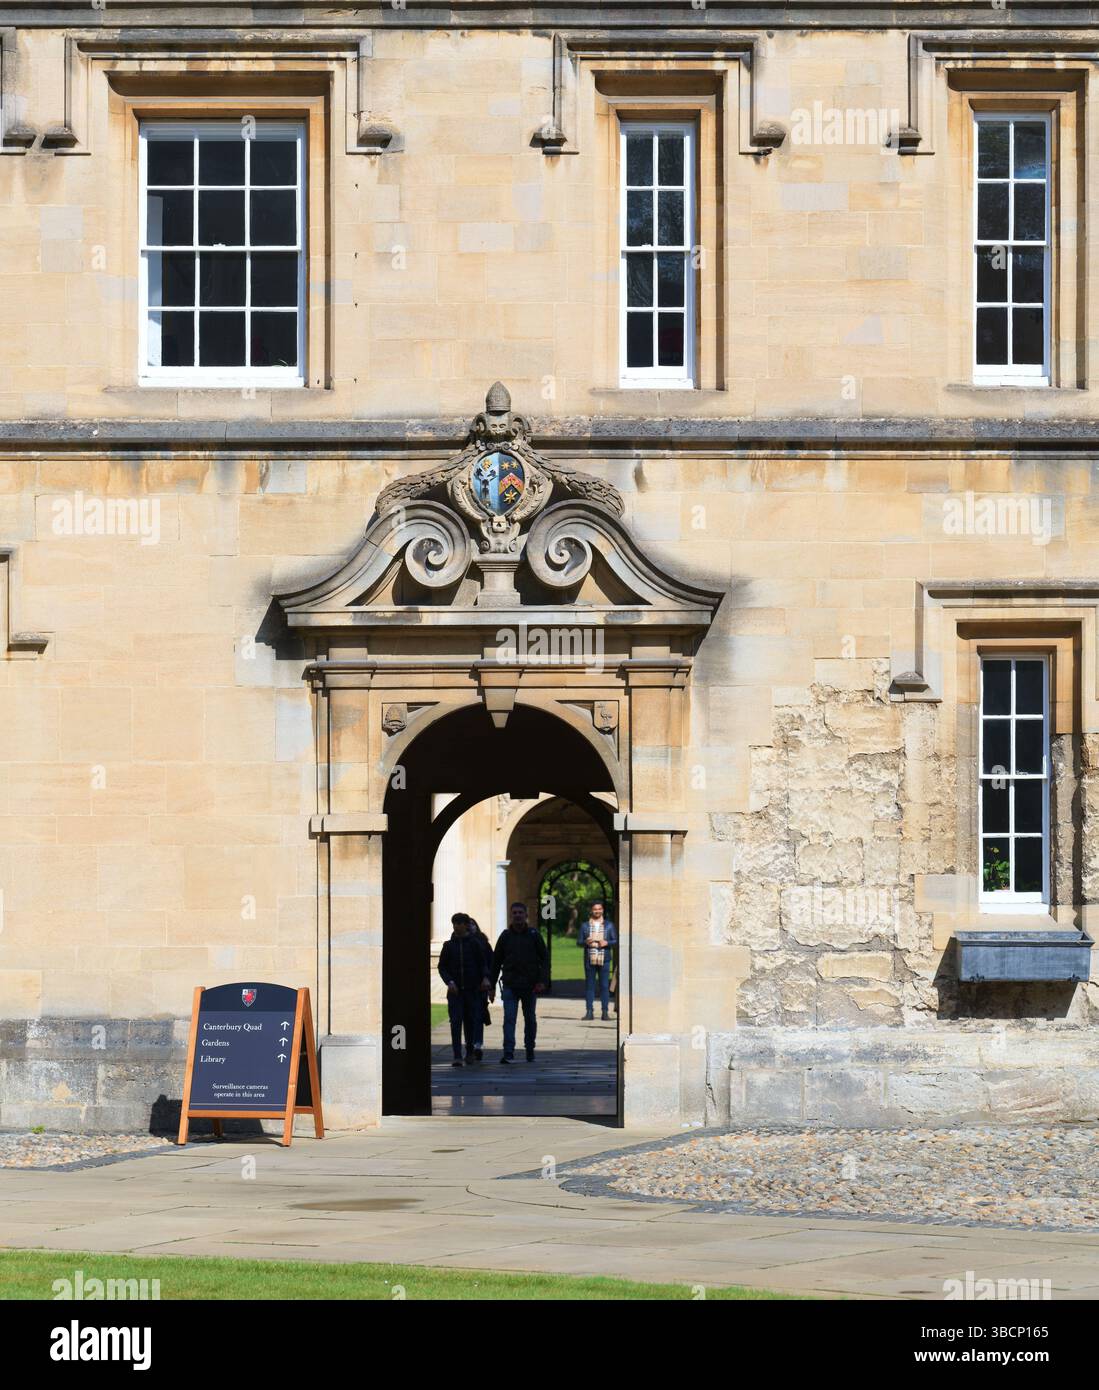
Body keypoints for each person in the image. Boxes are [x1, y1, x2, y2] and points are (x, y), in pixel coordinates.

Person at [491, 900, 548, 1064]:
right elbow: (496, 962)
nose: (517, 916)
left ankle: (530, 1049)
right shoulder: (505, 936)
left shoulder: (534, 935)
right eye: (514, 913)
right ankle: (508, 1052)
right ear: (511, 915)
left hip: (530, 986)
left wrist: (543, 981)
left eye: (520, 913)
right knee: (509, 1019)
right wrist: (491, 986)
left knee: (530, 1018)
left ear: (526, 915)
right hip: (510, 984)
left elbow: (544, 959)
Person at [437, 912, 492, 1065]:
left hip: (471, 989)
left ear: (466, 925)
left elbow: (482, 964)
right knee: (455, 1021)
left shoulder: (475, 944)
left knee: (470, 1021)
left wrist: (485, 978)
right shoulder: (448, 946)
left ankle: (469, 1052)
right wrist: (449, 981)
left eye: (460, 923)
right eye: (454, 923)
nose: (457, 926)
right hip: (455, 991)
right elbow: (442, 967)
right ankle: (456, 1055)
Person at [578, 900, 617, 1021]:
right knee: (590, 986)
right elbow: (579, 942)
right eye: (595, 909)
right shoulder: (584, 926)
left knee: (604, 986)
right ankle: (589, 1012)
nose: (597, 911)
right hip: (590, 959)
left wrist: (607, 942)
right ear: (591, 910)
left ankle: (605, 1013)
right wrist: (586, 942)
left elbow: (616, 941)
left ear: (602, 910)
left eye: (599, 909)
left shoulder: (609, 925)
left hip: (604, 959)